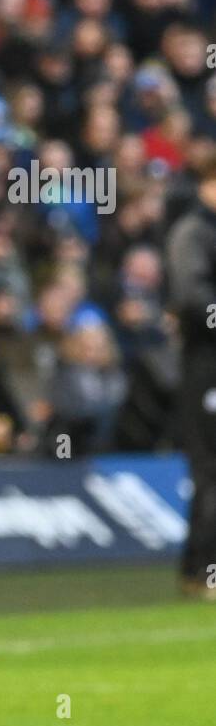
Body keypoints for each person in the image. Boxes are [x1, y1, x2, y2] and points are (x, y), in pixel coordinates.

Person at [165, 148, 216, 597]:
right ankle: (202, 568)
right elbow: (193, 300)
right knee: (210, 467)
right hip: (205, 363)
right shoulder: (193, 232)